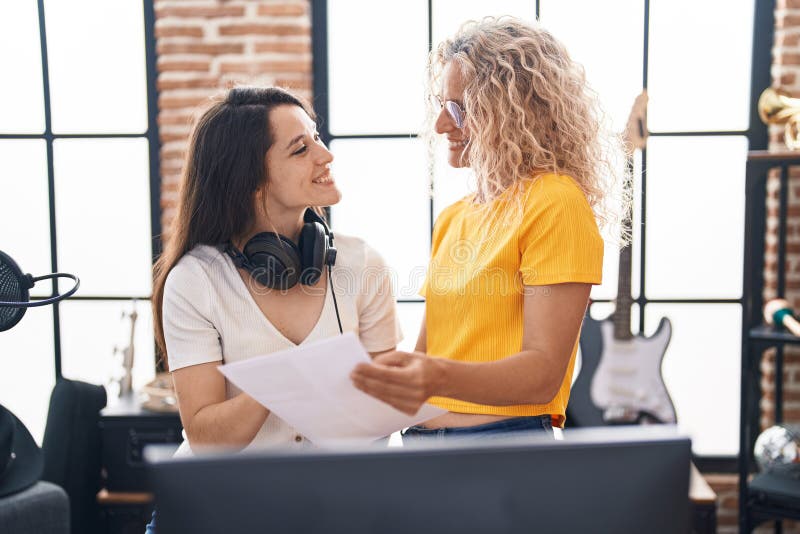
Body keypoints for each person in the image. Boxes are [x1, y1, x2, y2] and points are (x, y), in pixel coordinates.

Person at [351, 17, 624, 440]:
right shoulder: (453, 218)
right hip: (421, 443)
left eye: (459, 108)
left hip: (502, 448)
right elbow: (429, 357)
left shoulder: (555, 202)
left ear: (513, 111)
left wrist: (433, 375)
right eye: (442, 106)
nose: (442, 125)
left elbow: (542, 375)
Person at [145, 86, 401, 532]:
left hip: (324, 510)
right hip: (215, 510)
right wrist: (283, 384)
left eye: (317, 138)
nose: (326, 155)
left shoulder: (363, 265)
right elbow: (206, 438)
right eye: (301, 149)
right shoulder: (196, 279)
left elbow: (387, 408)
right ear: (252, 179)